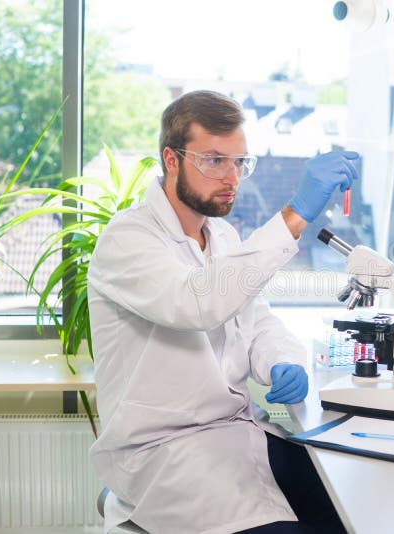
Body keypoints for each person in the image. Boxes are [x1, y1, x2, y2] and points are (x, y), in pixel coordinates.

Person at [87, 90, 357, 533]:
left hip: (237, 434)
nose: (231, 177)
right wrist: (296, 214)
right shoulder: (127, 239)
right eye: (214, 160)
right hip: (167, 453)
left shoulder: (224, 236)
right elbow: (197, 302)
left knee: (349, 505)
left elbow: (258, 320)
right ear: (171, 159)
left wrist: (281, 360)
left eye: (239, 162)